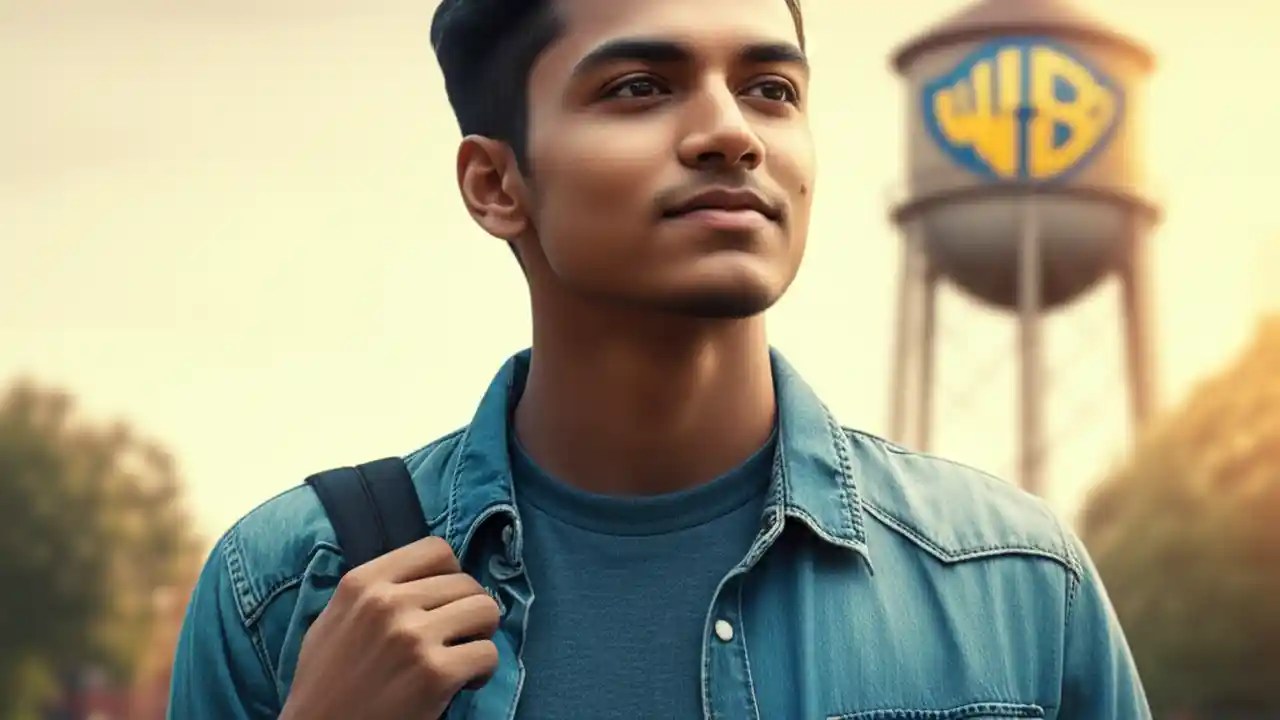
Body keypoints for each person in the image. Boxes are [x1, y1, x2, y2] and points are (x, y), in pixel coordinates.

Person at [167, 0, 1152, 718]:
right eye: (639, 87)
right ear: (494, 182)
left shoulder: (1012, 584)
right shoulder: (291, 588)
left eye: (770, 90)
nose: (729, 132)